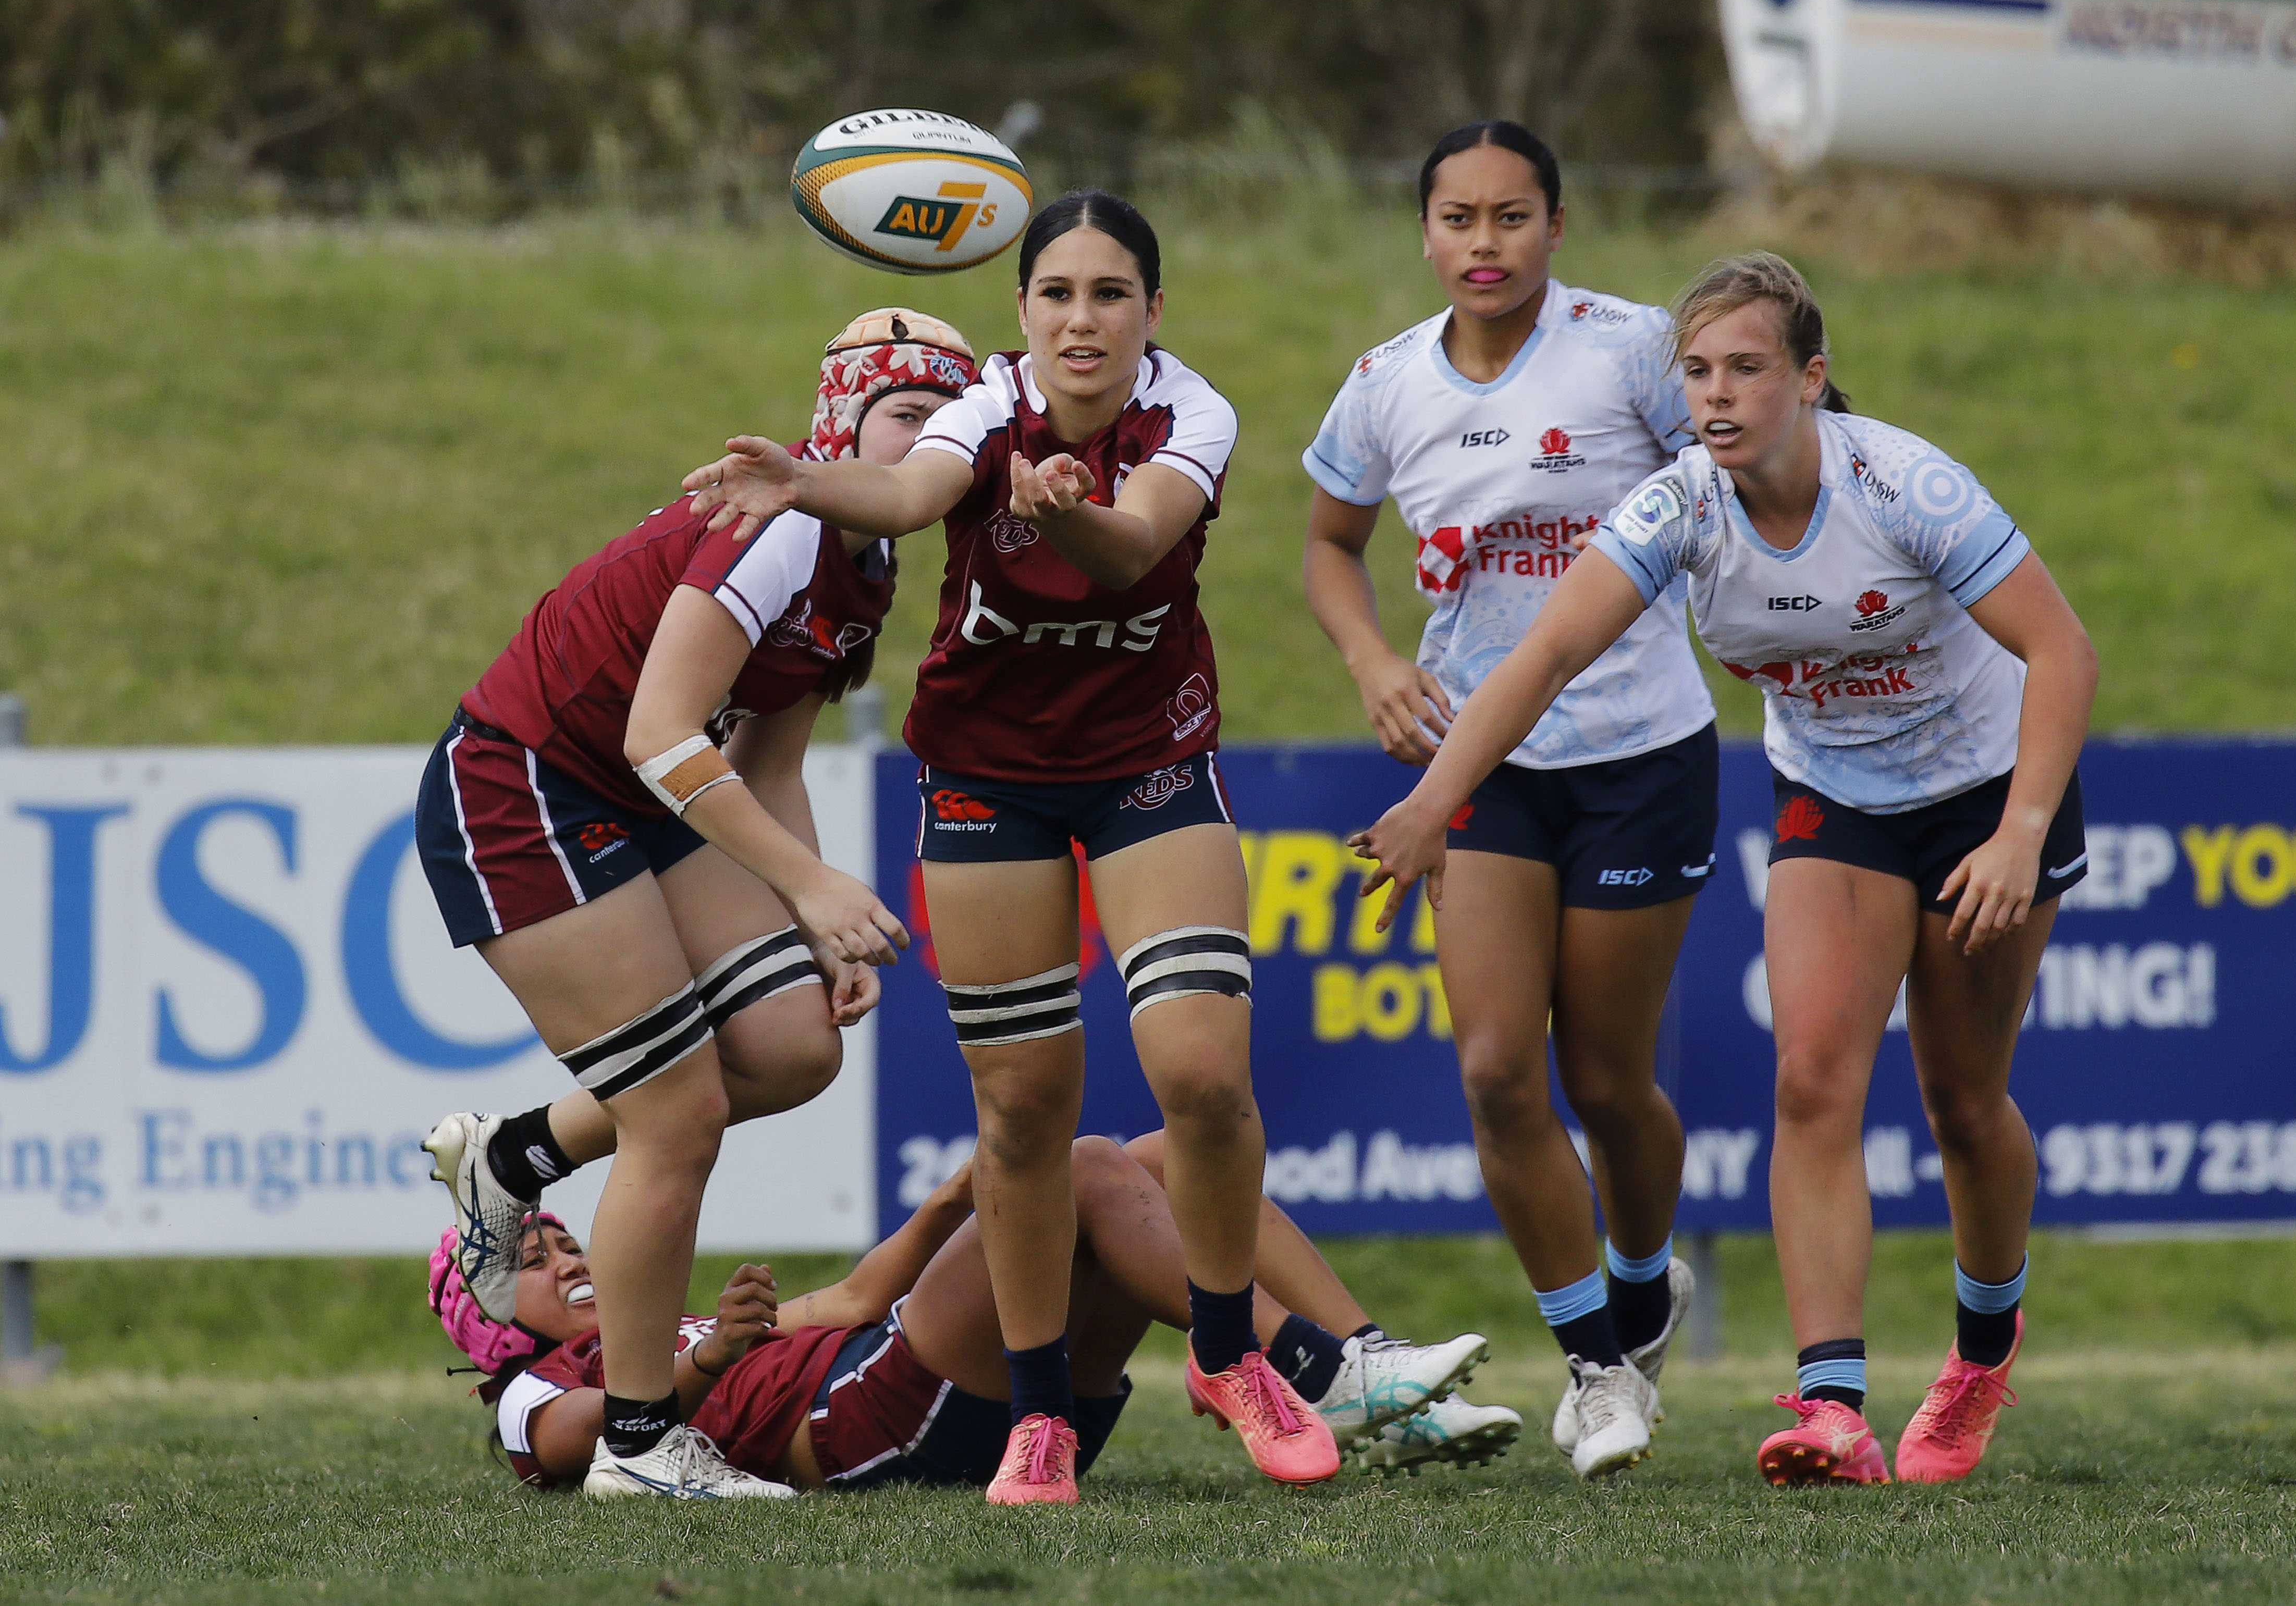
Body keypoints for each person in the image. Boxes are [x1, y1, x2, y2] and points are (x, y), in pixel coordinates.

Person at [1351, 252, 2098, 1488]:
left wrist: (2019, 833)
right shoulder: (1678, 504)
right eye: (1695, 371)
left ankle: (1976, 1354)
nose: (1716, 394)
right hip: (1837, 800)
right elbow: (1538, 659)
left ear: (1808, 380)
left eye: (1746, 368)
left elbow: (2061, 654)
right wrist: (1434, 801)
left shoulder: (1902, 483)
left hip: (1986, 792)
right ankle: (1832, 1406)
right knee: (1810, 1081)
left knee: (1963, 1104)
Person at [683, 191, 1312, 1503]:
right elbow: (909, 491)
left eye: (1109, 295)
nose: (1081, 320)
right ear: (1021, 312)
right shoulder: (985, 406)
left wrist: (1067, 510)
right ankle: (1036, 1420)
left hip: (1148, 765)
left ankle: (1222, 1353)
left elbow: (1133, 547)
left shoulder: (1189, 414)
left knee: (1200, 1076)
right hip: (987, 778)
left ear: (1151, 311)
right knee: (1024, 1110)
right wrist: (804, 478)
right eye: (1055, 295)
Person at [411, 311, 973, 1497]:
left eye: (948, 428)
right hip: (524, 784)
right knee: (678, 1115)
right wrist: (812, 887)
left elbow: (765, 767)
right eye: (905, 418)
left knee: (792, 1046)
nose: (928, 446)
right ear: (840, 428)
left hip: (645, 794)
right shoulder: (777, 529)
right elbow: (659, 732)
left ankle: (514, 1158)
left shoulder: (865, 569)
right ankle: (637, 1443)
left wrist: (810, 920)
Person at [1298, 121, 1715, 1481]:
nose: (1486, 243)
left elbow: (1733, 470)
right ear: (1424, 235)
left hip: (1640, 752)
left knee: (1605, 1076)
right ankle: (1597, 1363)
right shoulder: (1383, 384)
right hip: (1475, 766)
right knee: (1492, 1067)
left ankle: (1646, 1282)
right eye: (1459, 218)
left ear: (1556, 226)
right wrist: (1370, 659)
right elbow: (1327, 543)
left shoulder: (1633, 348)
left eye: (1513, 216)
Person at [432, 1134, 1519, 1496]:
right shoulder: (537, 1388)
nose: (566, 1252)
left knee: (1166, 1158)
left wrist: (951, 1203)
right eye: (532, 1258)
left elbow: (856, 1297)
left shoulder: (649, 1323)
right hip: (871, 1425)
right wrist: (712, 1354)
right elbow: (581, 1446)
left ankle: (1374, 1378)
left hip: (995, 1410)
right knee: (1089, 1165)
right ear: (486, 1323)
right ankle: (1313, 1370)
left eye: (566, 1235)